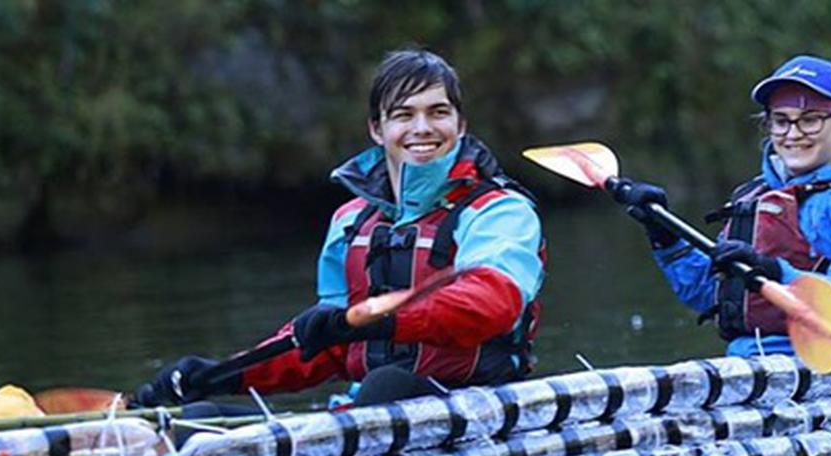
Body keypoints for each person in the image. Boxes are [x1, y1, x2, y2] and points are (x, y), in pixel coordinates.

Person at [135, 48, 544, 407]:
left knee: (386, 385)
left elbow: (493, 302)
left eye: (438, 112)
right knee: (199, 416)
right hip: (371, 411)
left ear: (461, 124)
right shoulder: (351, 221)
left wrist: (376, 320)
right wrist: (227, 375)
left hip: (476, 407)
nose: (422, 128)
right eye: (403, 114)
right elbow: (328, 345)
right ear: (377, 129)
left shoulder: (501, 211)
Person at [615, 54, 831, 357]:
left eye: (810, 120)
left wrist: (773, 272)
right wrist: (664, 236)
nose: (793, 134)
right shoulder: (756, 194)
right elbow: (709, 295)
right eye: (781, 121)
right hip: (748, 364)